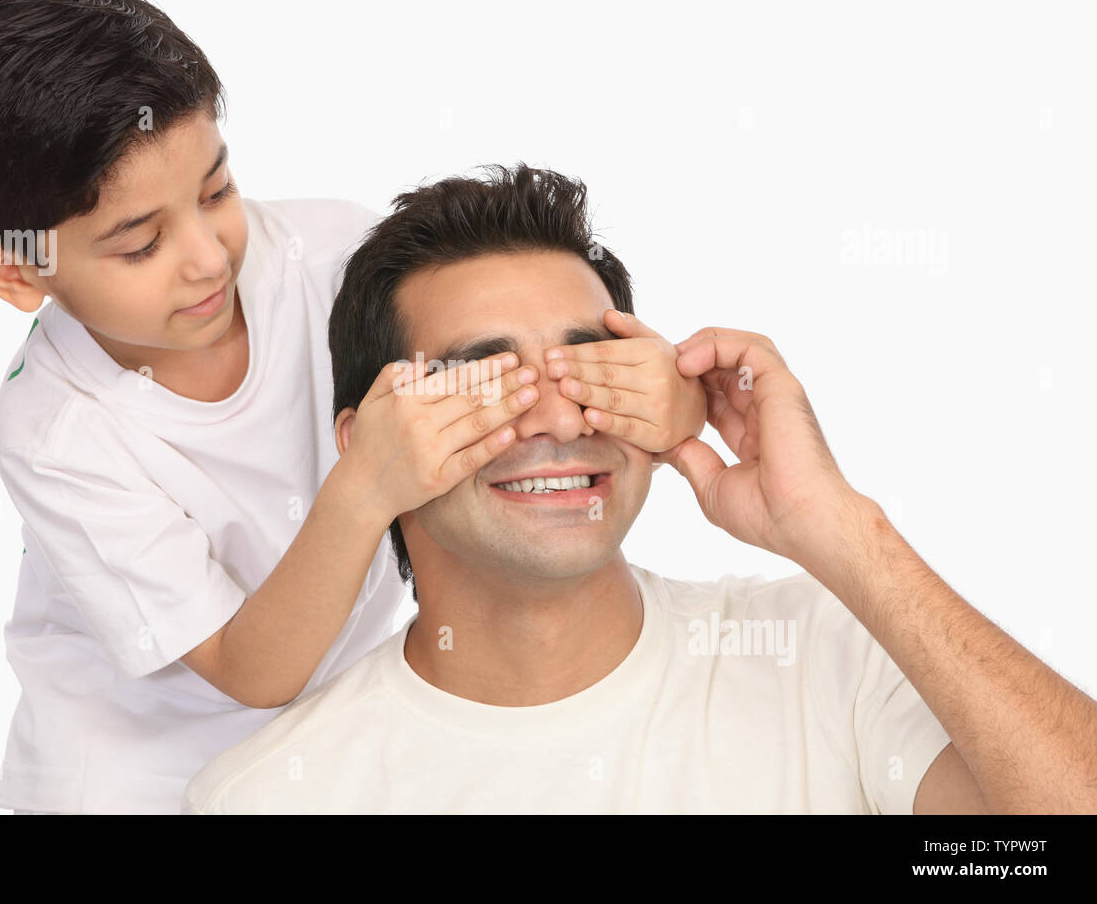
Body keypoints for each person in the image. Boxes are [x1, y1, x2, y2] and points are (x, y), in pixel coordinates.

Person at [0, 0, 704, 813]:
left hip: (333, 730)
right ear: (17, 270)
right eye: (140, 244)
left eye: (215, 192)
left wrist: (666, 407)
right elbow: (252, 672)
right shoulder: (55, 433)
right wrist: (363, 490)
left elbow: (506, 368)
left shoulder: (324, 255)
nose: (209, 258)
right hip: (137, 770)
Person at [185, 162, 1097, 813]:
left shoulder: (824, 658)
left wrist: (840, 530)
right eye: (484, 384)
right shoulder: (267, 795)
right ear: (368, 446)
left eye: (594, 373)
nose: (560, 420)